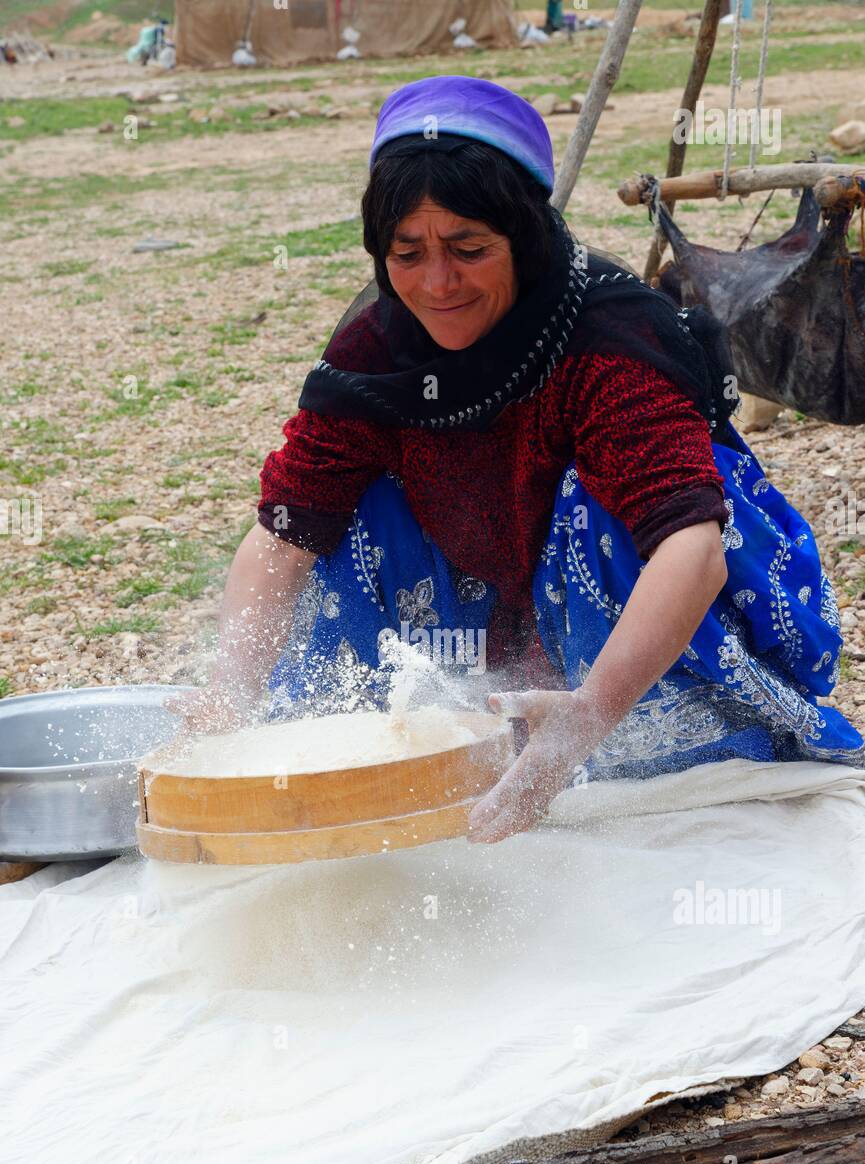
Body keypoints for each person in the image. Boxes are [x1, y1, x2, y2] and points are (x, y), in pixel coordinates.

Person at [173, 75, 863, 843]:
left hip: (640, 603)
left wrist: (589, 714)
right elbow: (282, 530)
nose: (437, 284)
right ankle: (381, 744)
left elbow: (690, 547)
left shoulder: (608, 336)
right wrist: (229, 693)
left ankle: (647, 739)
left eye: (468, 249)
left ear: (523, 239)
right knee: (349, 513)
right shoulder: (377, 345)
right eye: (407, 253)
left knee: (594, 503)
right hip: (485, 602)